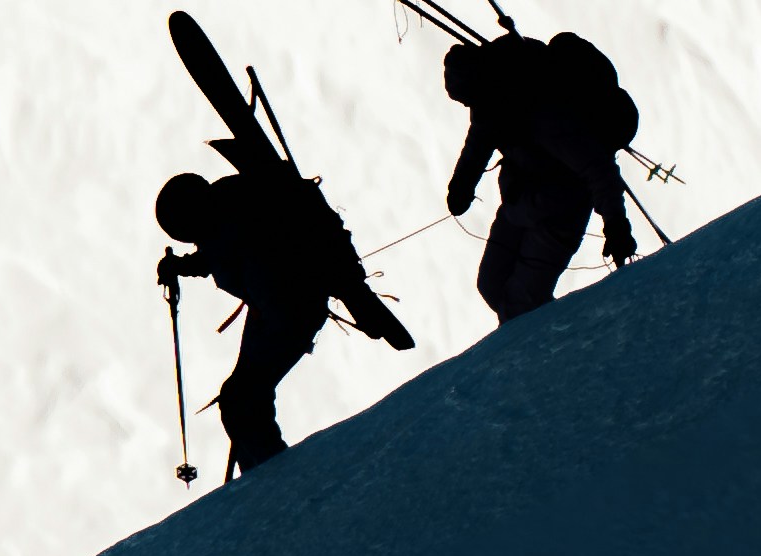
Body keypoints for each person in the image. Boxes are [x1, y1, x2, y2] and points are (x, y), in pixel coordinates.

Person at [156, 149, 412, 475]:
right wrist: (181, 265)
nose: (194, 240)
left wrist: (183, 265)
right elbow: (217, 255)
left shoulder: (236, 212)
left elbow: (227, 249)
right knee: (242, 398)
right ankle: (263, 475)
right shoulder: (225, 210)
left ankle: (275, 478)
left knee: (241, 399)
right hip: (275, 310)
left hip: (292, 312)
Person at [440, 23, 639, 320]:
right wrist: (460, 186)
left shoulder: (543, 113)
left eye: (468, 99)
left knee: (522, 306)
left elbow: (599, 169)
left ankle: (545, 355)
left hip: (559, 217)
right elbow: (478, 142)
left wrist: (616, 224)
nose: (469, 106)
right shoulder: (492, 105)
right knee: (491, 286)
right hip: (518, 205)